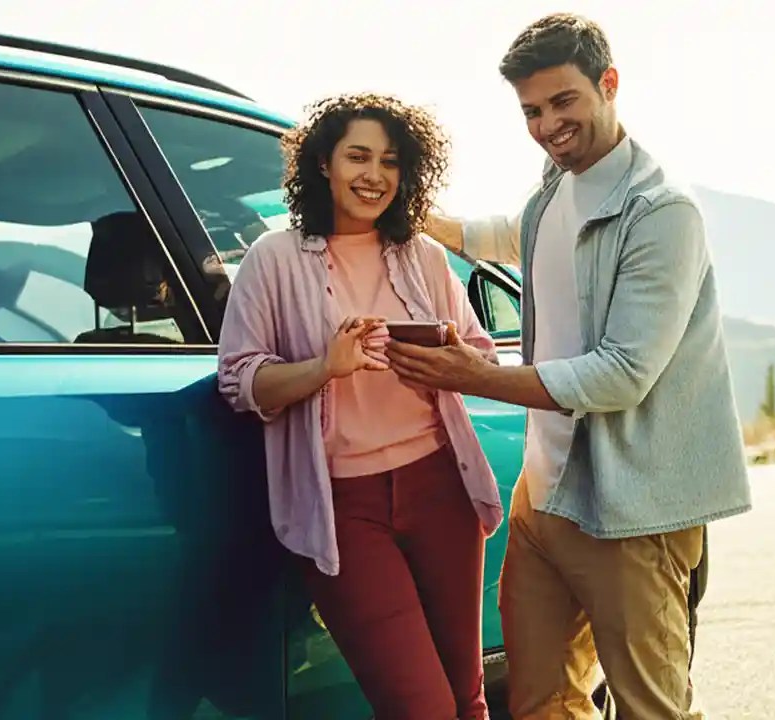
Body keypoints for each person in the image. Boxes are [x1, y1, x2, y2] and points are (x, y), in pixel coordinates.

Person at [386, 13, 753, 720]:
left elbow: (620, 375)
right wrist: (431, 223)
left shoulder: (661, 212)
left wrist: (471, 374)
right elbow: (524, 234)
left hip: (630, 509)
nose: (548, 125)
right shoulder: (558, 180)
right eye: (531, 110)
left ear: (609, 84)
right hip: (543, 498)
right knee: (540, 702)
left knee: (651, 708)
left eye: (563, 103)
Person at [216, 92, 503, 720]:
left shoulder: (423, 256)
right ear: (323, 162)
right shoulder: (273, 260)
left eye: (391, 162)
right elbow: (239, 381)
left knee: (467, 699)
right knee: (420, 707)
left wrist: (448, 356)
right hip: (344, 505)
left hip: (441, 489)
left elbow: (483, 357)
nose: (374, 176)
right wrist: (325, 367)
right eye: (358, 157)